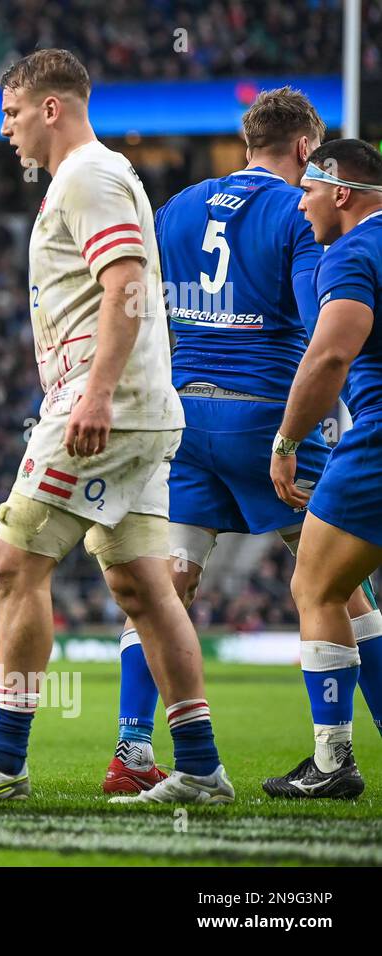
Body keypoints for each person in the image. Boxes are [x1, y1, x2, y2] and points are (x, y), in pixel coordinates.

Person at [0, 49, 232, 804]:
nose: (6, 130)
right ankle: (201, 767)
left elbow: (124, 287)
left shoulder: (86, 176)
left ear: (51, 108)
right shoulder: (97, 176)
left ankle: (2, 762)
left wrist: (95, 395)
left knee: (12, 564)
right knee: (145, 588)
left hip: (103, 409)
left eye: (12, 113)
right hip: (141, 410)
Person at [104, 88, 382, 793]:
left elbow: (140, 306)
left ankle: (134, 751)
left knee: (167, 585)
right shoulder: (297, 214)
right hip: (267, 418)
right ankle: (338, 755)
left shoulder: (177, 207)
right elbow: (323, 323)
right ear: (302, 150)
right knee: (337, 587)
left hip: (185, 420)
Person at [263, 139, 382, 799]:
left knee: (316, 590)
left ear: (339, 188)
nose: (300, 203)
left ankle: (333, 763)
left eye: (307, 190)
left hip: (377, 442)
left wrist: (286, 440)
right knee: (339, 589)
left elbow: (331, 355)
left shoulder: (352, 253)